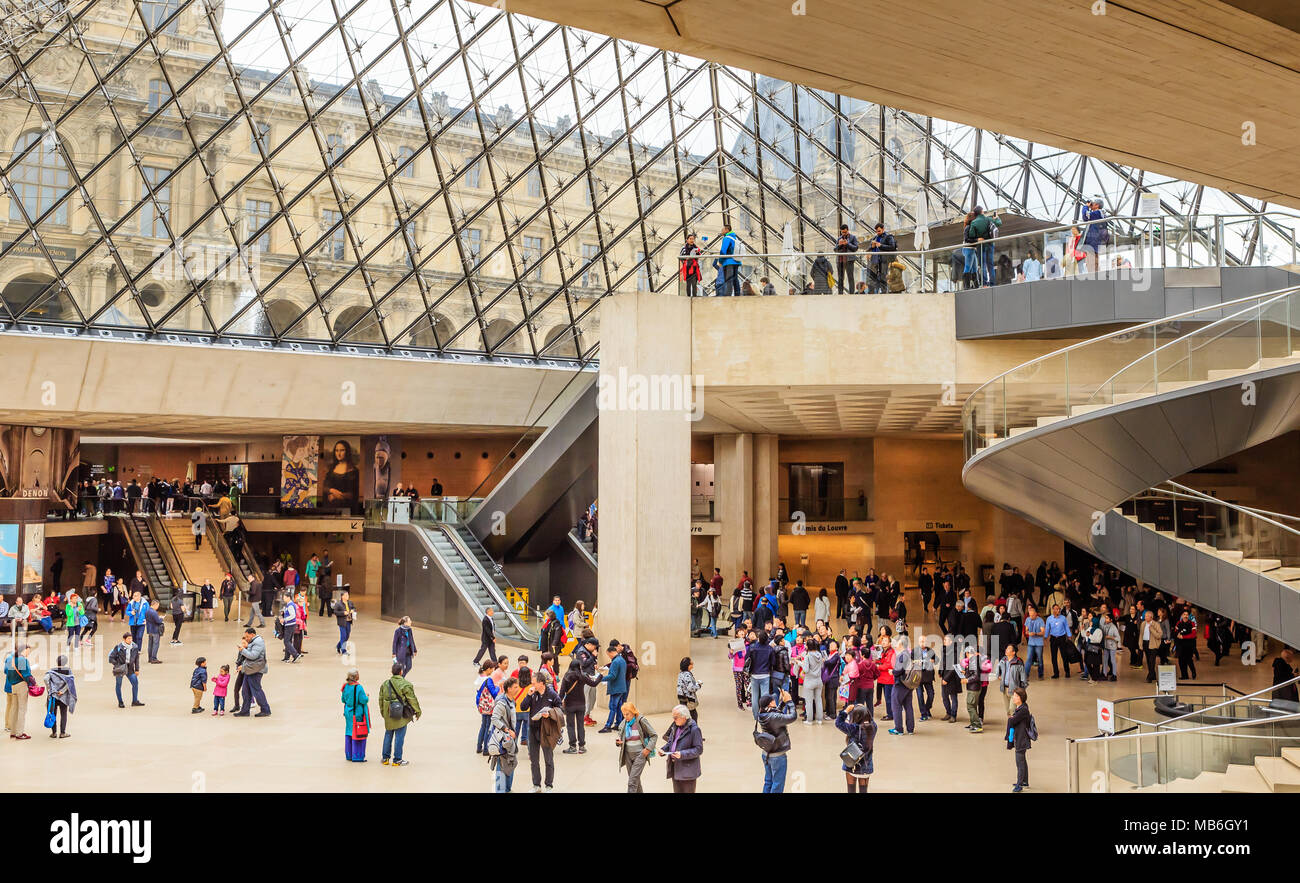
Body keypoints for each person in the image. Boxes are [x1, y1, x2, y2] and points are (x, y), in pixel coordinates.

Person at [519, 672, 561, 792]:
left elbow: (560, 709)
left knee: (548, 759)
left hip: (546, 730)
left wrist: (550, 714)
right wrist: (528, 695)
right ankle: (536, 785)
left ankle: (549, 785)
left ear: (541, 683)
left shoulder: (552, 694)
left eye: (534, 683)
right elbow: (523, 707)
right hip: (532, 729)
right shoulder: (532, 694)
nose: (532, 685)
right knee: (534, 759)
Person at [756, 689, 796, 793]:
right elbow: (792, 717)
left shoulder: (762, 714)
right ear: (770, 703)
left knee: (768, 782)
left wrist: (782, 702)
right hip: (777, 756)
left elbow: (776, 715)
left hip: (766, 753)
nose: (775, 699)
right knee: (777, 784)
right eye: (773, 699)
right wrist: (789, 701)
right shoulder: (773, 717)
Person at [615, 701, 658, 793]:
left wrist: (648, 749)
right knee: (635, 781)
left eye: (627, 714)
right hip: (627, 755)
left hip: (640, 754)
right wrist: (619, 742)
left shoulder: (641, 720)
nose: (625, 717)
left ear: (633, 712)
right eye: (624, 714)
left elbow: (654, 735)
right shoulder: (624, 723)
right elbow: (620, 736)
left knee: (632, 782)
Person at [660, 704, 703, 793]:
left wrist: (682, 754)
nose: (674, 720)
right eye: (673, 717)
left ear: (684, 717)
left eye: (676, 717)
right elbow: (671, 742)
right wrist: (664, 750)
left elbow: (699, 749)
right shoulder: (675, 727)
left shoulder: (694, 730)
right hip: (675, 768)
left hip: (688, 771)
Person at [835, 703, 877, 793]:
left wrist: (846, 711)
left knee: (851, 790)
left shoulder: (854, 729)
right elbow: (871, 720)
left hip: (852, 764)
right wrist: (864, 709)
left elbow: (838, 723)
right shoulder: (873, 727)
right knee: (863, 791)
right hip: (866, 766)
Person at [488, 677, 521, 793]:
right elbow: (494, 718)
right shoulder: (502, 702)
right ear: (509, 689)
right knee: (502, 764)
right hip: (503, 738)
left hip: (510, 739)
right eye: (515, 687)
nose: (518, 689)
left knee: (510, 762)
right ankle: (500, 790)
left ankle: (507, 789)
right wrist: (507, 730)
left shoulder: (511, 700)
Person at [233, 628, 271, 717]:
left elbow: (253, 656)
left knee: (256, 690)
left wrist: (242, 650)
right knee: (245, 691)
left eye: (247, 636)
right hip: (250, 669)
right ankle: (245, 711)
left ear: (252, 634)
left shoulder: (258, 642)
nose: (246, 638)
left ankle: (265, 709)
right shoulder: (253, 641)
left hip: (256, 670)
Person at [4, 642, 35, 738]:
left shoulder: (12, 659)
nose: (29, 653)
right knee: (22, 709)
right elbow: (26, 674)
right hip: (21, 686)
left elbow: (8, 673)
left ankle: (13, 731)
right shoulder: (22, 660)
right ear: (24, 650)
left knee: (14, 708)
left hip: (13, 686)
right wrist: (33, 683)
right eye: (28, 651)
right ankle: (19, 733)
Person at [1006, 687, 1034, 791]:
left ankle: (1020, 784)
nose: (1014, 697)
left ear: (1021, 698)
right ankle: (1024, 781)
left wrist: (1011, 719)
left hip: (1021, 739)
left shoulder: (1023, 710)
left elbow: (1012, 722)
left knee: (1020, 762)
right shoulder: (1022, 708)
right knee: (1022, 760)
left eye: (1016, 696)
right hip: (1021, 738)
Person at [597, 639, 627, 733]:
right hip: (622, 687)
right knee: (618, 707)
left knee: (612, 707)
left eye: (608, 654)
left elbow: (613, 676)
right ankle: (618, 724)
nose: (608, 657)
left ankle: (608, 726)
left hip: (616, 688)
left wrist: (600, 678)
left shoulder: (615, 662)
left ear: (611, 652)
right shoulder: (622, 660)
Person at [109, 632, 143, 709]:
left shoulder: (135, 647)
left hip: (130, 668)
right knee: (118, 684)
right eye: (128, 638)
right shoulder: (118, 647)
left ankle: (135, 701)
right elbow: (111, 658)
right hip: (120, 668)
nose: (130, 640)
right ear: (124, 639)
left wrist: (137, 669)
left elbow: (137, 659)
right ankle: (120, 702)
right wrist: (117, 664)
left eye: (131, 638)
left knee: (135, 683)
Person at [44, 655, 76, 739]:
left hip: (53, 696)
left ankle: (54, 733)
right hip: (63, 697)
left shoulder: (51, 670)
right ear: (65, 662)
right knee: (63, 714)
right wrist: (62, 691)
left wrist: (50, 689)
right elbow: (70, 682)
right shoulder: (68, 671)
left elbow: (45, 679)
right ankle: (62, 733)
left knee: (53, 713)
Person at [341, 669, 370, 762]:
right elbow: (363, 700)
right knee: (357, 732)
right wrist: (367, 696)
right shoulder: (358, 687)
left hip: (348, 712)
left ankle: (349, 755)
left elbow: (343, 699)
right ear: (355, 677)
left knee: (349, 732)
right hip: (356, 713)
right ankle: (357, 756)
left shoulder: (345, 686)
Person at [994, 644, 1028, 717]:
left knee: (1012, 709)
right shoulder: (1003, 659)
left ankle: (1014, 727)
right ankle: (1011, 725)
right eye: (1006, 648)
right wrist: (998, 675)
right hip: (1004, 689)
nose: (1006, 650)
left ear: (1013, 652)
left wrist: (1021, 691)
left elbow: (1023, 678)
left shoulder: (1019, 662)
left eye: (1009, 649)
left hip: (1014, 690)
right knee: (1008, 711)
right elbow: (998, 668)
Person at [1046, 604, 1072, 678]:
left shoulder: (1063, 618)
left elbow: (1066, 627)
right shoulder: (1049, 619)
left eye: (1059, 609)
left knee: (1064, 656)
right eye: (1056, 609)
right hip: (1053, 638)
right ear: (1053, 610)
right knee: (1053, 657)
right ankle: (1056, 673)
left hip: (1062, 638)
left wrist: (1069, 635)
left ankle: (1067, 672)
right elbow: (1047, 629)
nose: (1058, 610)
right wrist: (1045, 637)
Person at [833, 223, 859, 294]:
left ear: (848, 230)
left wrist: (847, 244)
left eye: (845, 232)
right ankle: (840, 293)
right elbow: (835, 250)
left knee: (850, 277)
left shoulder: (853, 237)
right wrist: (840, 245)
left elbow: (855, 248)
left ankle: (851, 293)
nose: (843, 234)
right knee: (840, 278)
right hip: (840, 260)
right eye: (842, 232)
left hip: (849, 260)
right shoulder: (839, 238)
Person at [717, 223, 741, 297]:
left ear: (727, 230)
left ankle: (728, 295)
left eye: (722, 229)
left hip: (728, 261)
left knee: (728, 279)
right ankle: (737, 294)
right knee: (735, 278)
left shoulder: (727, 238)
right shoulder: (735, 238)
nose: (721, 231)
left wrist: (720, 261)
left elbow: (723, 251)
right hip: (736, 261)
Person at [1174, 609, 1198, 680]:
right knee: (1181, 661)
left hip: (1189, 645)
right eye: (1184, 614)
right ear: (1182, 616)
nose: (1185, 616)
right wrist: (1177, 634)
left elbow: (1193, 635)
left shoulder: (1192, 624)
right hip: (1180, 645)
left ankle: (1193, 672)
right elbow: (1175, 632)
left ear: (1189, 616)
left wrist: (1183, 636)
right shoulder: (1178, 623)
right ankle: (1184, 675)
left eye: (1187, 615)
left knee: (1188, 660)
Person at [1140, 609, 1163, 683]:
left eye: (1147, 616)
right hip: (1145, 644)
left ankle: (1149, 676)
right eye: (1145, 616)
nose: (1145, 617)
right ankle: (1153, 674)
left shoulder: (1156, 624)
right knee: (1148, 661)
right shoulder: (1143, 623)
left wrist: (1152, 630)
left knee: (1152, 661)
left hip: (1153, 645)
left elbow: (1159, 635)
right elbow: (1141, 635)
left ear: (1151, 617)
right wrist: (1140, 644)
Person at [679, 232, 703, 297]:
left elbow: (700, 257)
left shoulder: (696, 248)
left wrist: (698, 253)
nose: (692, 240)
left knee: (694, 284)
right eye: (690, 239)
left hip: (694, 268)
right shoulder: (683, 248)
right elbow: (680, 258)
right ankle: (688, 297)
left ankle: (694, 297)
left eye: (693, 239)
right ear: (687, 240)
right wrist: (686, 258)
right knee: (688, 284)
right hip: (687, 268)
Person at [279, 593, 300, 662]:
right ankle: (287, 657)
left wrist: (284, 619)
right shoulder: (288, 605)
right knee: (289, 641)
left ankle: (295, 654)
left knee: (286, 641)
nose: (283, 599)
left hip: (290, 625)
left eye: (284, 597)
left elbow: (293, 615)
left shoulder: (290, 605)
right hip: (291, 625)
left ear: (288, 598)